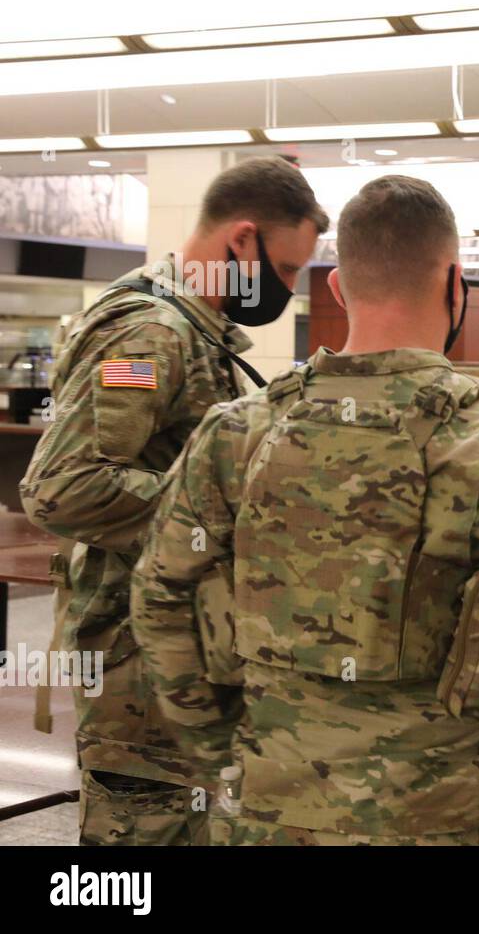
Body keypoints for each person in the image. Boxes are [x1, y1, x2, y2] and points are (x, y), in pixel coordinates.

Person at [130, 175, 479, 846]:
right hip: (448, 818)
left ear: (337, 289)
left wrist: (216, 744)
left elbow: (158, 596)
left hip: (265, 812)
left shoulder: (231, 434)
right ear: (456, 285)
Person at [20, 156, 327, 846]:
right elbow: (62, 487)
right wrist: (218, 513)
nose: (286, 290)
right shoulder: (148, 334)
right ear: (242, 240)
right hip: (139, 665)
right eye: (283, 271)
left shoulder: (194, 328)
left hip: (180, 652)